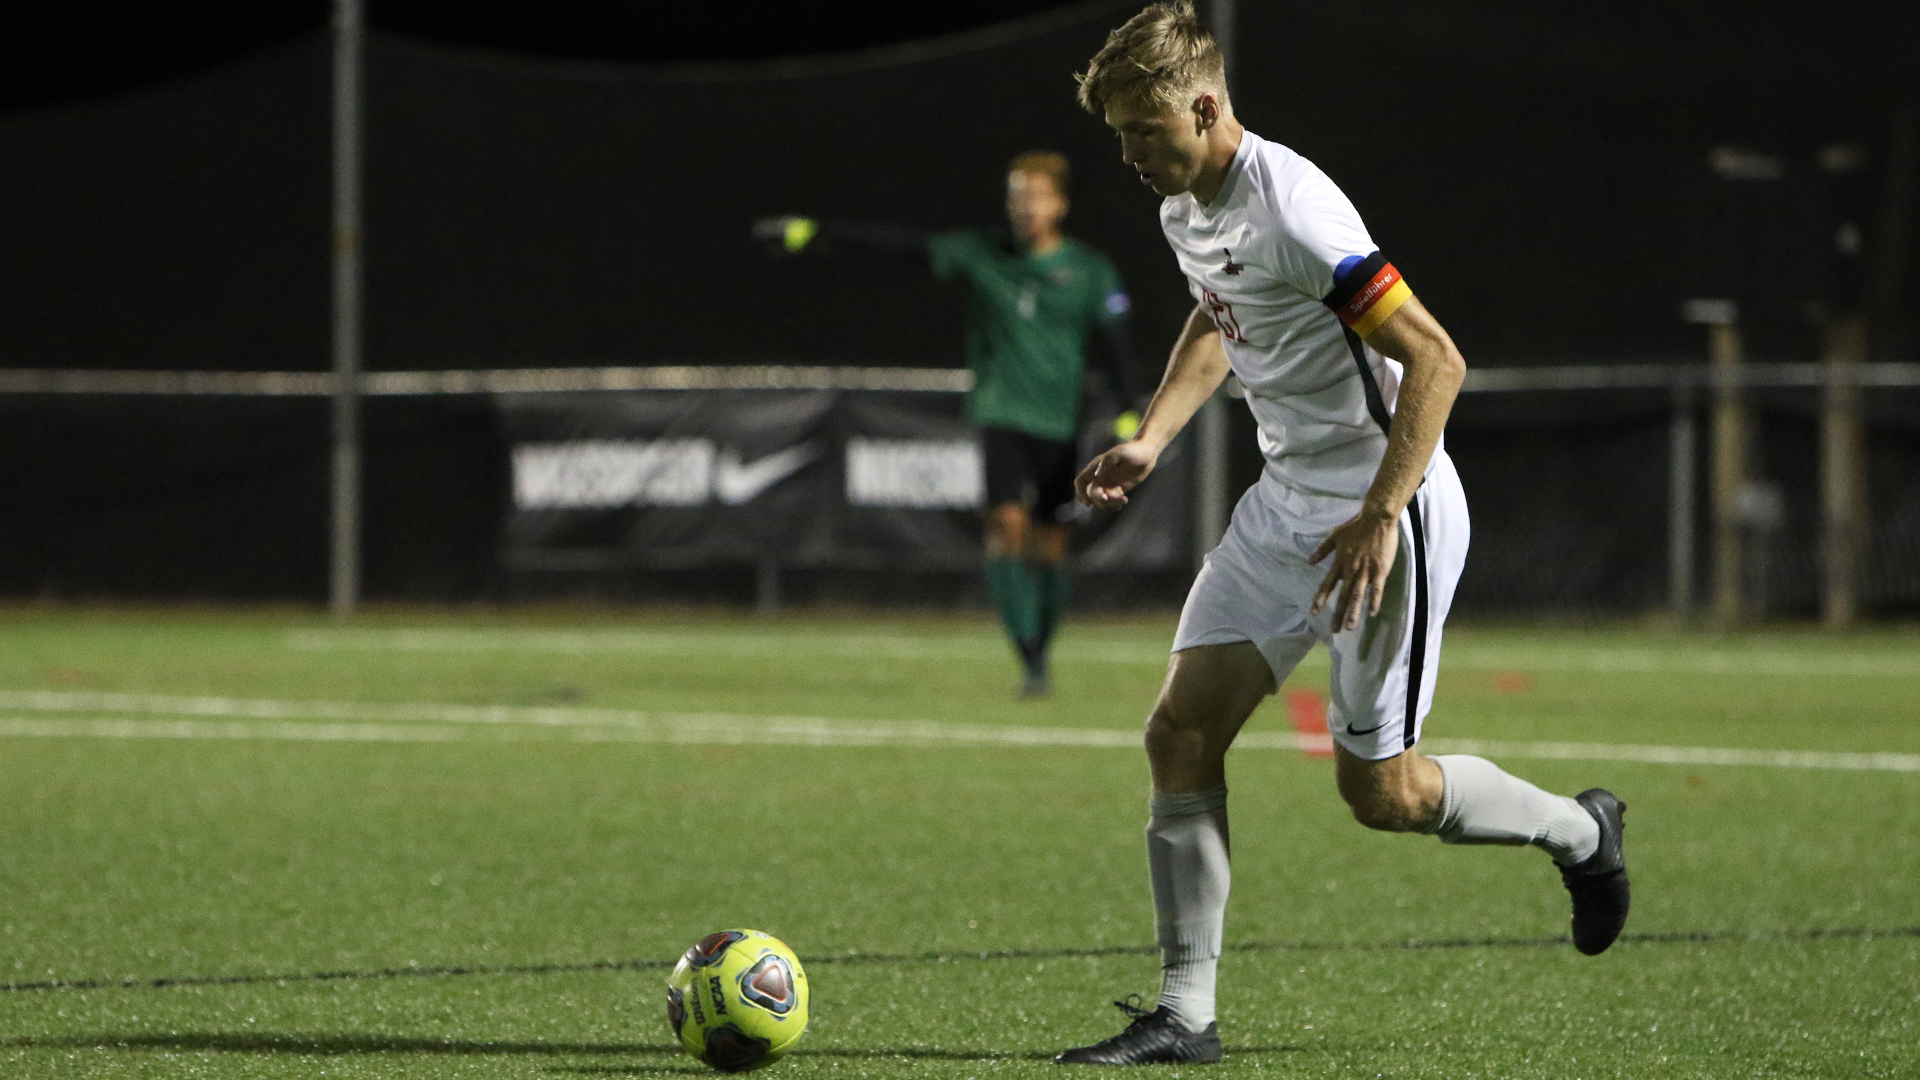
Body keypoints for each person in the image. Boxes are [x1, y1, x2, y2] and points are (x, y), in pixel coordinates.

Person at [1053, 3, 1630, 1065]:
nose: (1130, 154)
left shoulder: (1297, 211)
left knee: (1385, 793)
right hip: (1288, 502)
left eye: (1144, 131)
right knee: (1178, 734)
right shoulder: (1190, 205)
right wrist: (1154, 437)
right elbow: (1219, 315)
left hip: (1385, 508)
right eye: (1120, 136)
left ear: (1206, 106)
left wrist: (1377, 515)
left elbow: (1439, 359)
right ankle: (1187, 1017)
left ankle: (1584, 833)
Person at [754, 153, 1140, 697]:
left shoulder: (1089, 270)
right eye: (1016, 196)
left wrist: (1128, 413)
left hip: (1059, 423)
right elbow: (900, 248)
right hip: (1001, 412)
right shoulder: (981, 253)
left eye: (1035, 197)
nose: (1024, 207)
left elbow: (1118, 346)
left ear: (1060, 205)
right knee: (1006, 527)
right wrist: (815, 234)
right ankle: (1030, 659)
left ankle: (1041, 647)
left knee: (1052, 543)